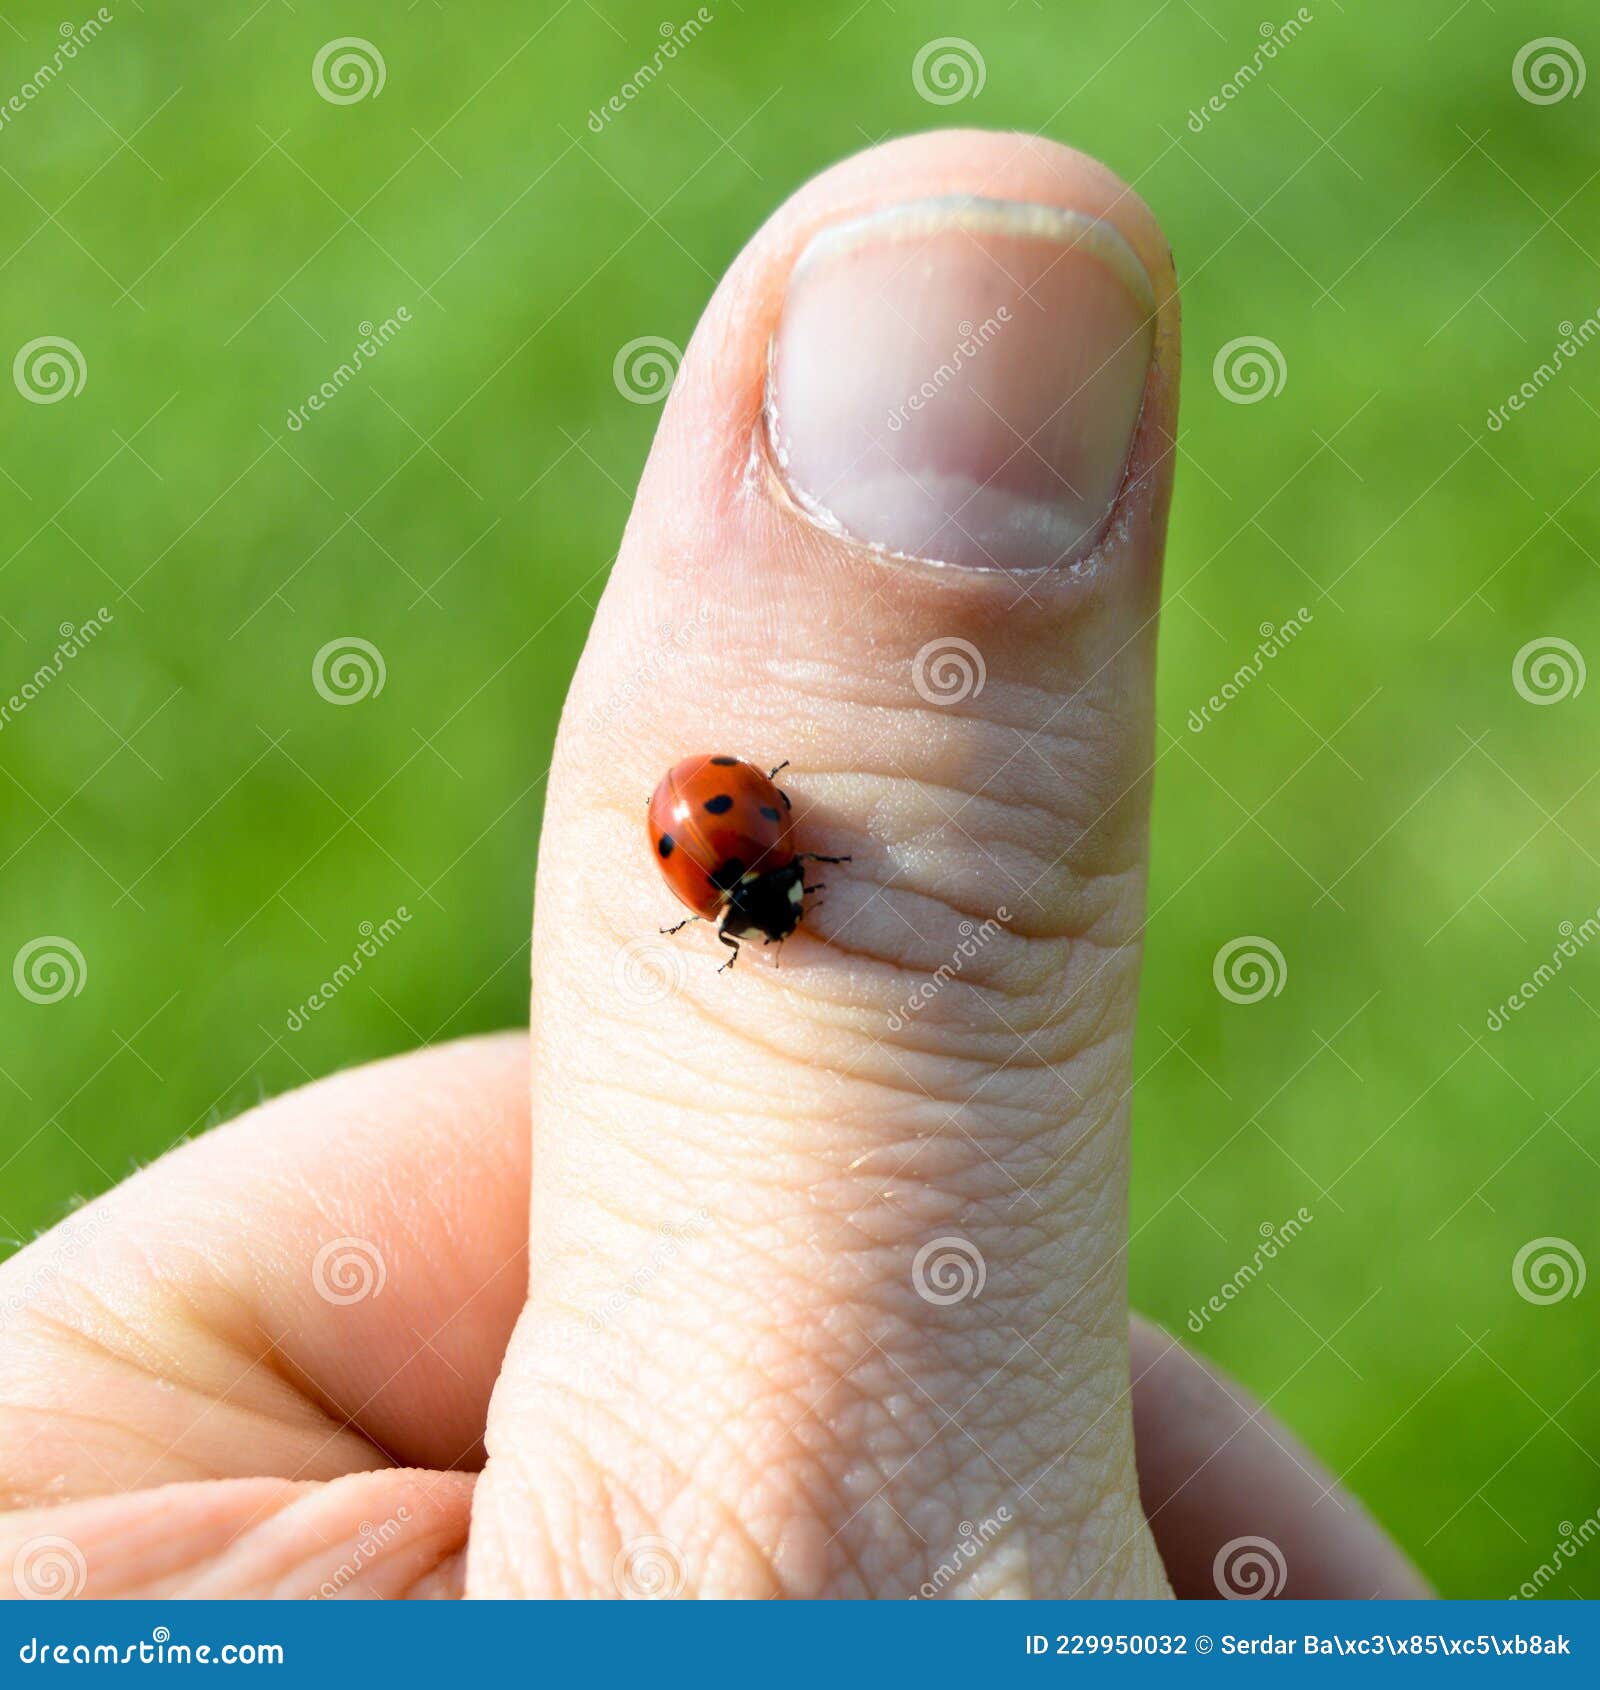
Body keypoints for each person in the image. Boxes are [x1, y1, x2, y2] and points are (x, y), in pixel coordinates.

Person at [0, 130, 1426, 1601]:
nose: (786, 905)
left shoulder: (742, 860)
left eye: (777, 898)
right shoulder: (755, 857)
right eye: (777, 898)